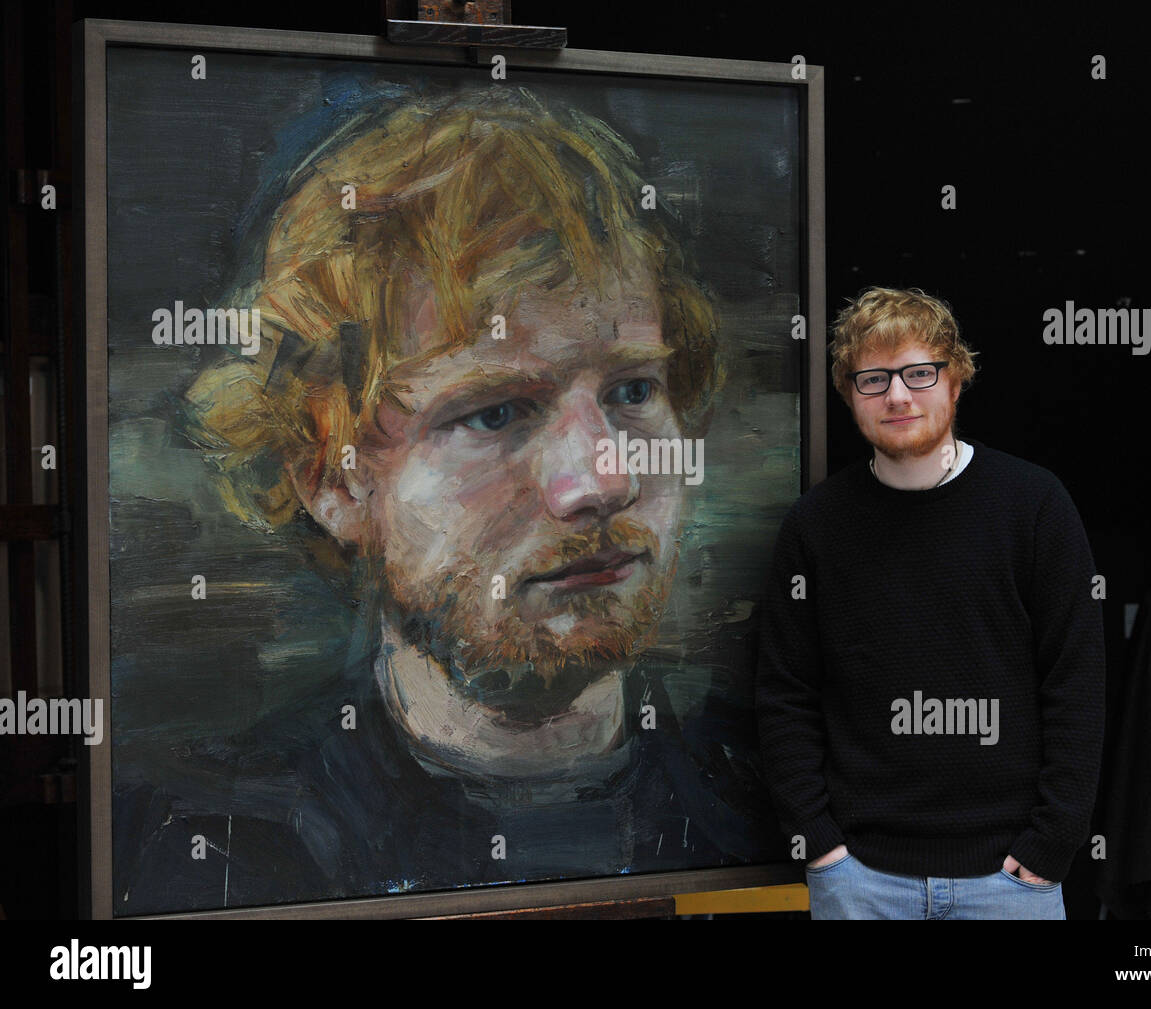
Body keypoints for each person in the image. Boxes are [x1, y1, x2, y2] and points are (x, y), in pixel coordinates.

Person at [113, 86, 781, 915]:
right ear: (332, 477)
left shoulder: (773, 805)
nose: (603, 479)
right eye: (495, 412)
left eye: (634, 388)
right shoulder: (205, 849)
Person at [754, 286, 1105, 919]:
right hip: (861, 880)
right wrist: (820, 844)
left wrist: (1055, 839)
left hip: (1009, 883)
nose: (896, 394)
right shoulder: (816, 527)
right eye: (873, 379)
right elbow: (785, 694)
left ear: (957, 379)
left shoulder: (1033, 506)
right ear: (848, 393)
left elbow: (1076, 682)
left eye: (919, 372)